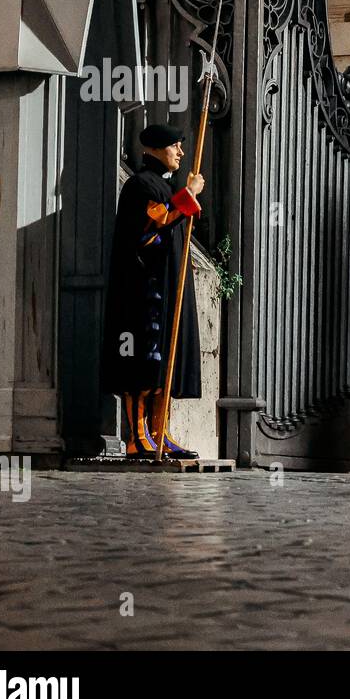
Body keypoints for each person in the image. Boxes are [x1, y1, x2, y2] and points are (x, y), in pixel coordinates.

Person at [101, 124, 205, 459]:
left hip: (168, 285)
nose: (180, 153)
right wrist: (188, 195)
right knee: (142, 366)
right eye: (176, 146)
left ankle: (160, 434)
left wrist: (185, 197)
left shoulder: (163, 185)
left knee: (163, 370)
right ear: (157, 148)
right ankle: (137, 438)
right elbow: (155, 223)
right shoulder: (140, 185)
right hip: (143, 290)